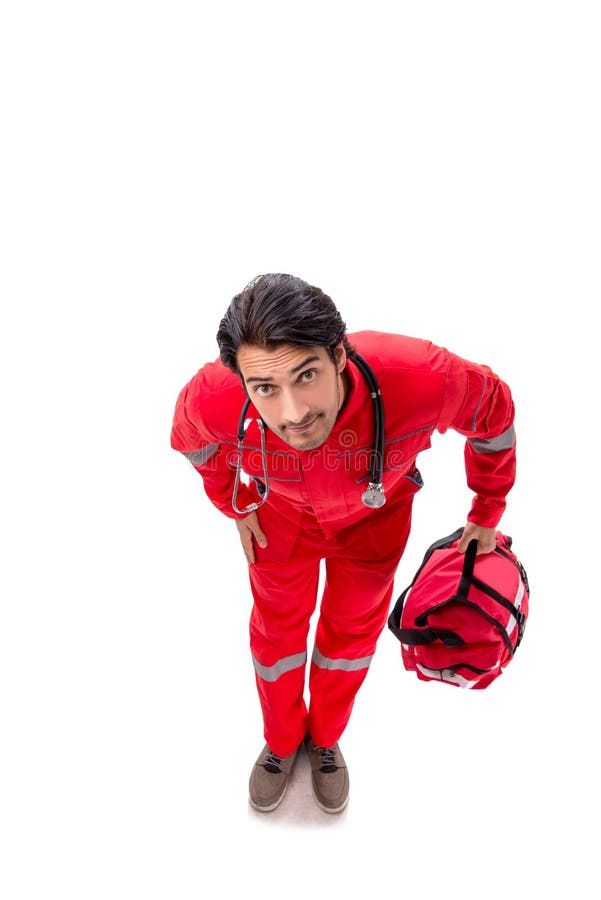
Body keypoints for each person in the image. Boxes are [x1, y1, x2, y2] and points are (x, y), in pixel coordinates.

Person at [170, 273, 516, 814]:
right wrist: (233, 502)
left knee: (352, 636)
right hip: (279, 523)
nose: (292, 412)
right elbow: (189, 441)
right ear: (242, 381)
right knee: (276, 634)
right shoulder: (213, 396)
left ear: (338, 354)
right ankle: (283, 743)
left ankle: (325, 738)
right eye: (265, 388)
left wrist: (487, 510)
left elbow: (493, 412)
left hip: (376, 523)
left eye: (305, 375)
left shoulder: (420, 376)